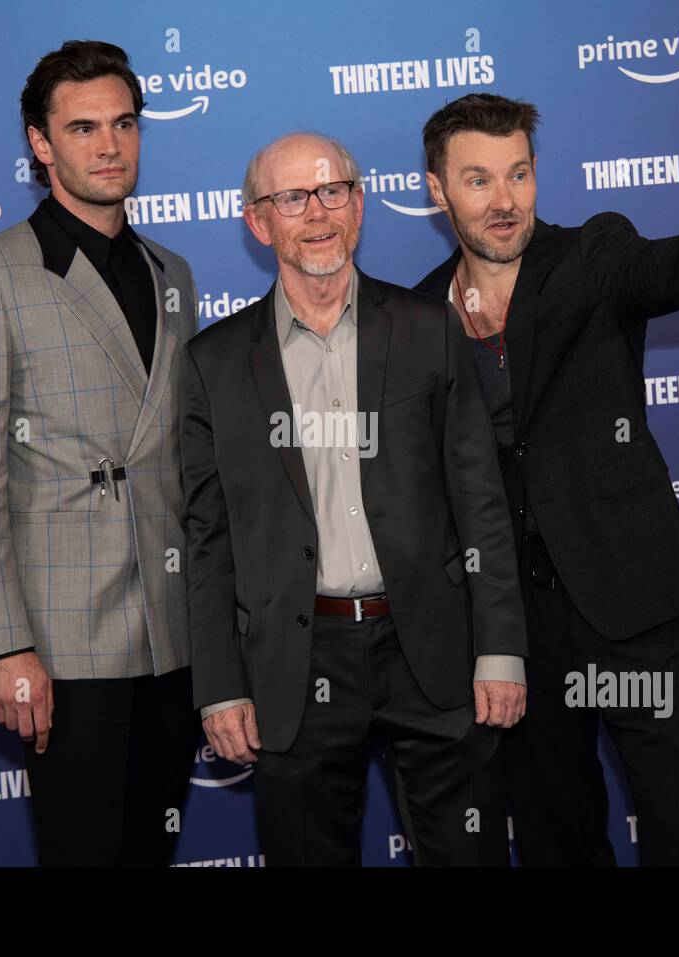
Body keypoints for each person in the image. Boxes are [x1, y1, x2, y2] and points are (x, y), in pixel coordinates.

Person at [413, 93, 679, 866]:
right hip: (514, 628)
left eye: (519, 174)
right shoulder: (420, 314)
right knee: (554, 833)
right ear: (437, 190)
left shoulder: (591, 257)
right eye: (477, 181)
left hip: (628, 599)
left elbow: (667, 265)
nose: (505, 201)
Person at [178, 131, 527, 866]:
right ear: (257, 220)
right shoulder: (215, 364)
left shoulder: (430, 330)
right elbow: (207, 543)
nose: (318, 212)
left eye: (333, 190)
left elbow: (481, 501)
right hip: (294, 664)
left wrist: (499, 646)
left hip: (431, 650)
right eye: (293, 197)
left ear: (359, 204)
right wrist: (218, 686)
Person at [0, 40, 199, 866]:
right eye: (82, 128)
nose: (109, 146)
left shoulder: (171, 271)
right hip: (62, 642)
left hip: (172, 631)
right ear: (41, 146)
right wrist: (6, 646)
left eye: (123, 124)